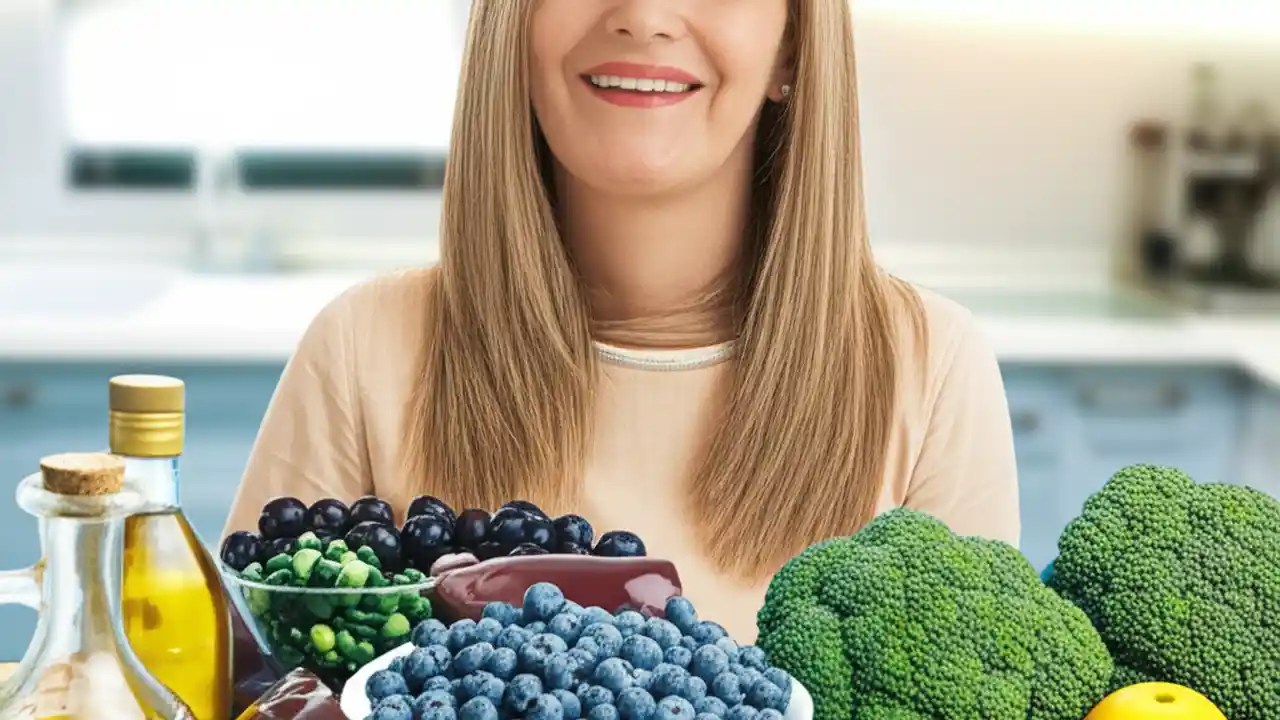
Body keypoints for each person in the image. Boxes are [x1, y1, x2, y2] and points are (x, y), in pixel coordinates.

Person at [224, 0, 1019, 643]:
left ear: (791, 47)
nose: (644, 16)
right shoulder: (363, 350)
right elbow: (254, 683)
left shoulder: (928, 367)